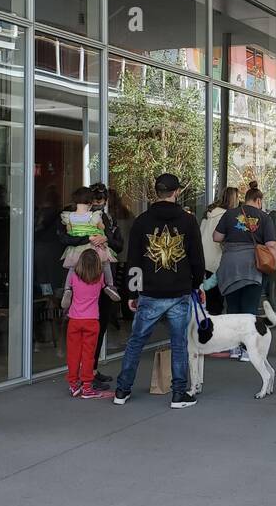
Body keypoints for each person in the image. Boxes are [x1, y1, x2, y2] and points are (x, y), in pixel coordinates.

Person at [115, 174, 205, 407]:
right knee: (179, 344)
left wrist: (133, 293)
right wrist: (197, 285)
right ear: (176, 192)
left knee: (136, 342)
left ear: (157, 192)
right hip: (179, 291)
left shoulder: (142, 221)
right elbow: (196, 258)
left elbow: (134, 259)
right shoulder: (188, 221)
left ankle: (122, 391)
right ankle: (178, 394)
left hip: (150, 293)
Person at [213, 187, 276, 359]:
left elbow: (216, 237)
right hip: (252, 266)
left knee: (233, 308)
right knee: (249, 310)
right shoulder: (264, 218)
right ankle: (248, 350)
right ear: (258, 200)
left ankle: (234, 348)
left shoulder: (229, 214)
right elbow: (271, 244)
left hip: (230, 265)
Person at [62, 247, 108, 399]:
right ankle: (87, 386)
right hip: (92, 321)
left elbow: (68, 287)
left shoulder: (75, 276)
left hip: (74, 320)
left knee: (73, 354)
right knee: (88, 356)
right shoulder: (100, 277)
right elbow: (107, 282)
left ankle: (73, 385)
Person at [200, 186, 238, 317]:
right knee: (217, 302)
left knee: (208, 300)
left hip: (203, 260)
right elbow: (225, 240)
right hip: (217, 262)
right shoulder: (227, 216)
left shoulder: (208, 213)